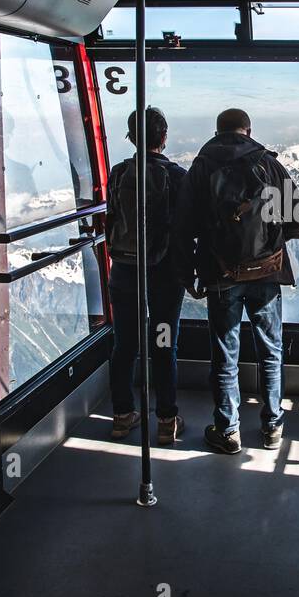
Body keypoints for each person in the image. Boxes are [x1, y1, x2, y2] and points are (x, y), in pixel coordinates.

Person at [174, 108, 299, 453]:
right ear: (248, 130)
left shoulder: (202, 166)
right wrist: (272, 243)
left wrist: (189, 273)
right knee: (271, 349)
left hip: (220, 274)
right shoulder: (268, 163)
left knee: (224, 354)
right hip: (267, 272)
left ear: (218, 132)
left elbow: (183, 225)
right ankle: (273, 425)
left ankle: (227, 430)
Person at [106, 108, 188, 445]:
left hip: (125, 270)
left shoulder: (119, 172)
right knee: (163, 343)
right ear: (164, 138)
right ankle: (167, 419)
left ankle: (122, 416)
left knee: (124, 344)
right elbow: (186, 224)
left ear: (131, 137)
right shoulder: (177, 175)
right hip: (165, 275)